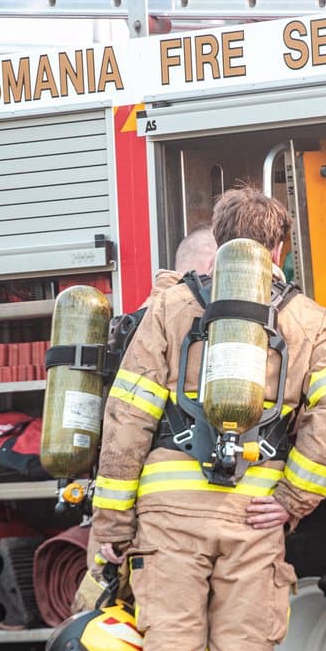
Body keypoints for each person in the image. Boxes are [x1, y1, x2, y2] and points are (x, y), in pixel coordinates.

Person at [89, 186, 326, 651]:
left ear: (217, 247)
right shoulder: (312, 322)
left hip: (168, 521)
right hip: (254, 516)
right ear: (280, 250)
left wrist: (112, 525)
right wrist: (292, 499)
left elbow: (128, 417)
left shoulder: (169, 307)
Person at [71, 226, 218, 615]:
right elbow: (126, 430)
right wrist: (115, 530)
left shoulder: (135, 322)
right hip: (142, 520)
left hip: (127, 515)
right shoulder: (171, 323)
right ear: (211, 265)